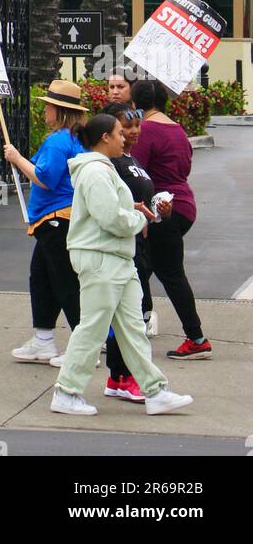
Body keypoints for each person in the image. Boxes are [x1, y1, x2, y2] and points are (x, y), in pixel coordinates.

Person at [50, 112, 193, 417]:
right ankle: (66, 391)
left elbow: (111, 211)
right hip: (102, 257)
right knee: (93, 327)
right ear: (105, 138)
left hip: (115, 257)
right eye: (118, 132)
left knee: (132, 328)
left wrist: (134, 210)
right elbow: (110, 218)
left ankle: (155, 391)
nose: (124, 136)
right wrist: (140, 216)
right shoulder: (96, 172)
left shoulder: (102, 170)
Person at [4, 79, 86, 364]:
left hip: (56, 221)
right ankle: (43, 339)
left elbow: (45, 178)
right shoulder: (76, 140)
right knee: (42, 279)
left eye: (48, 106)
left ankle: (81, 345)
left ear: (58, 110)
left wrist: (16, 158)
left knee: (63, 282)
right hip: (59, 221)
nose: (45, 111)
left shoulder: (57, 141)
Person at [131, 78, 211, 360]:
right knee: (142, 269)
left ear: (136, 104)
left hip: (160, 210)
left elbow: (135, 172)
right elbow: (185, 166)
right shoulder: (177, 129)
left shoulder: (147, 130)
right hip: (183, 205)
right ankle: (133, 329)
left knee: (170, 273)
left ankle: (197, 338)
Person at [101, 101, 171, 400]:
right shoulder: (107, 164)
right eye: (125, 127)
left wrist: (160, 208)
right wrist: (134, 211)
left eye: (135, 125)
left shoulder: (132, 160)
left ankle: (120, 378)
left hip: (138, 247)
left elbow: (145, 202)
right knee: (125, 318)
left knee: (135, 315)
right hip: (119, 250)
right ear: (110, 131)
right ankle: (122, 376)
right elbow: (106, 204)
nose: (133, 131)